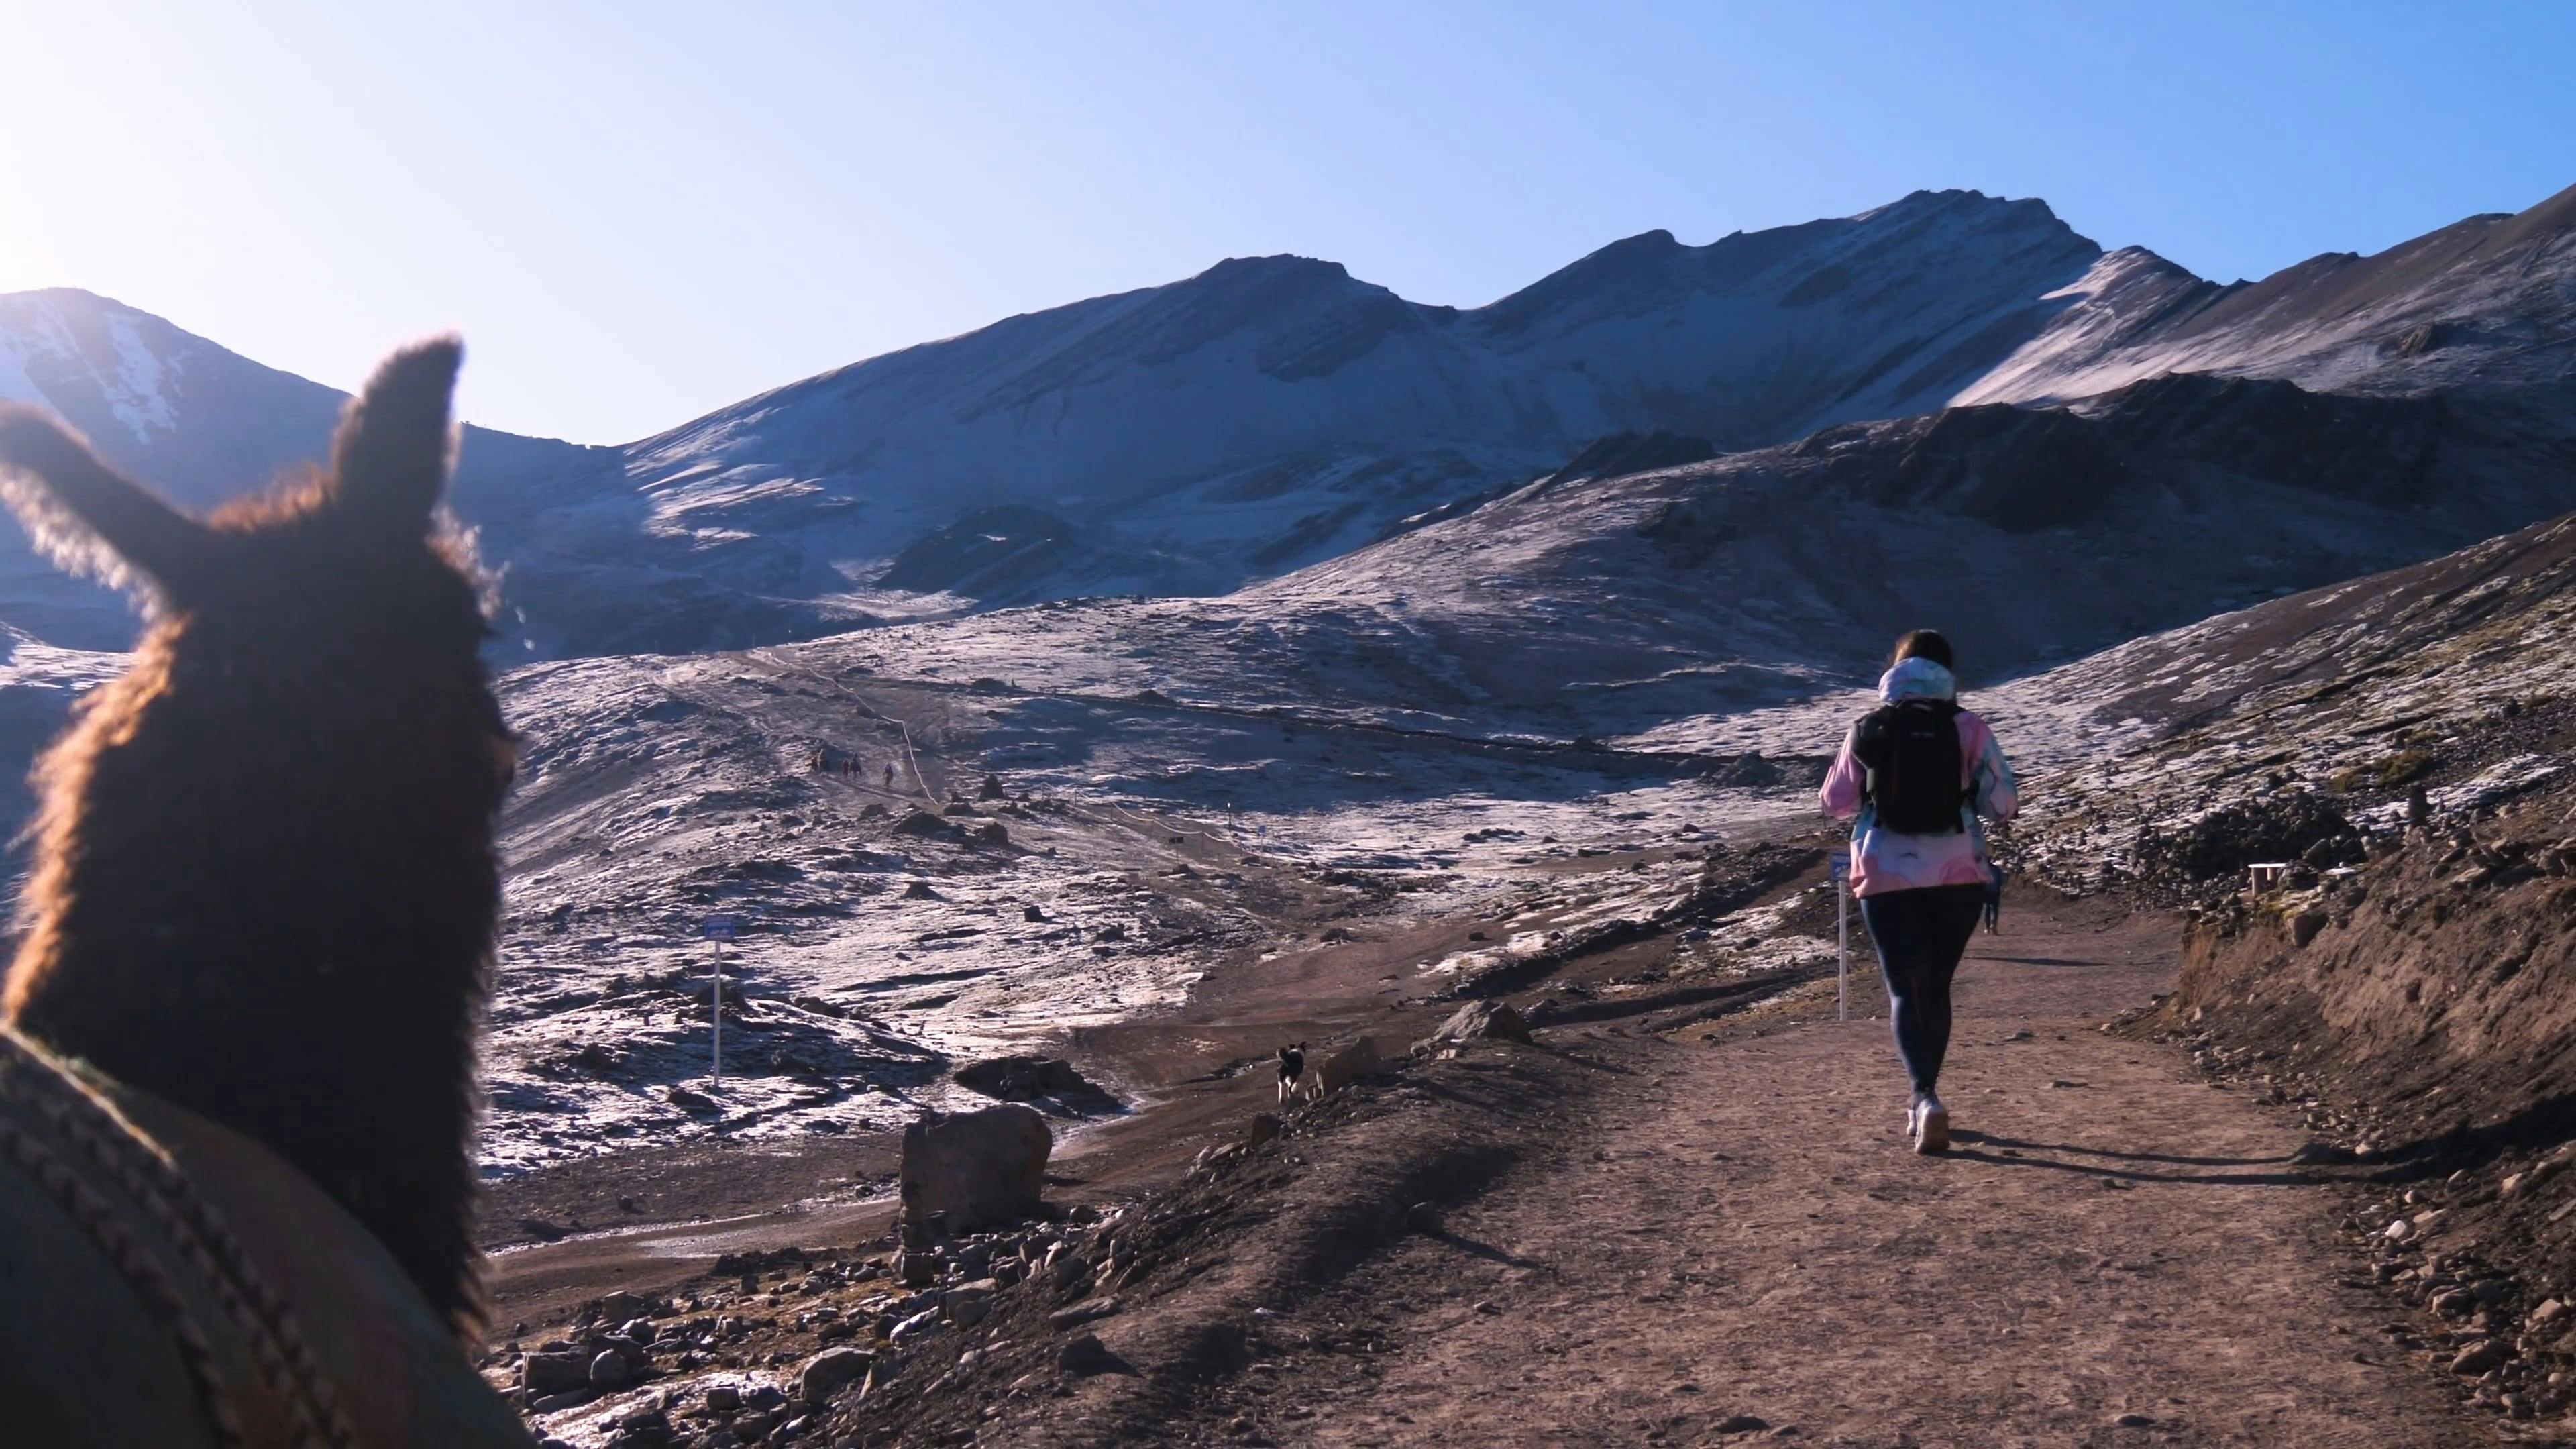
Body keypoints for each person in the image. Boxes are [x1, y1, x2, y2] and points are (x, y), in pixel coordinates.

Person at [1819, 629, 2018, 1155]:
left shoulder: (1869, 728)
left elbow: (1835, 802)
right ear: (1949, 673)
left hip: (1884, 872)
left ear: (1896, 670)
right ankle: (1926, 1096)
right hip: (1958, 873)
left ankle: (1924, 1097)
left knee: (1907, 988)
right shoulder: (1970, 728)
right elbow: (2004, 806)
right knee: (1938, 988)